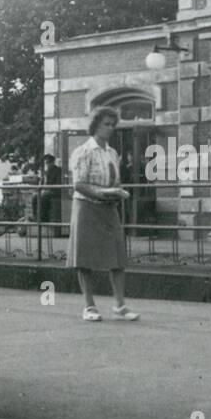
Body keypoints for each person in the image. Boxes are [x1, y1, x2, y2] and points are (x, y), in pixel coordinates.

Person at [68, 108, 139, 322]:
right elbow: (79, 184)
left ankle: (120, 305)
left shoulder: (112, 152)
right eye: (106, 124)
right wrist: (99, 193)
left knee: (117, 256)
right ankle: (89, 306)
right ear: (95, 125)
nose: (110, 128)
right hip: (87, 207)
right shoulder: (83, 151)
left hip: (108, 208)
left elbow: (115, 180)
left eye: (112, 125)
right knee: (85, 258)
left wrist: (117, 192)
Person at [35, 152, 63, 226]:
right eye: (46, 163)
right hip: (46, 190)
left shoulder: (58, 170)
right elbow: (42, 183)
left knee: (44, 196)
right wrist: (41, 180)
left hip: (54, 191)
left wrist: (47, 189)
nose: (47, 165)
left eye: (48, 163)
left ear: (53, 162)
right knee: (35, 196)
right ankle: (36, 217)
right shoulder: (46, 172)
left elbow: (58, 184)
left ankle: (43, 218)